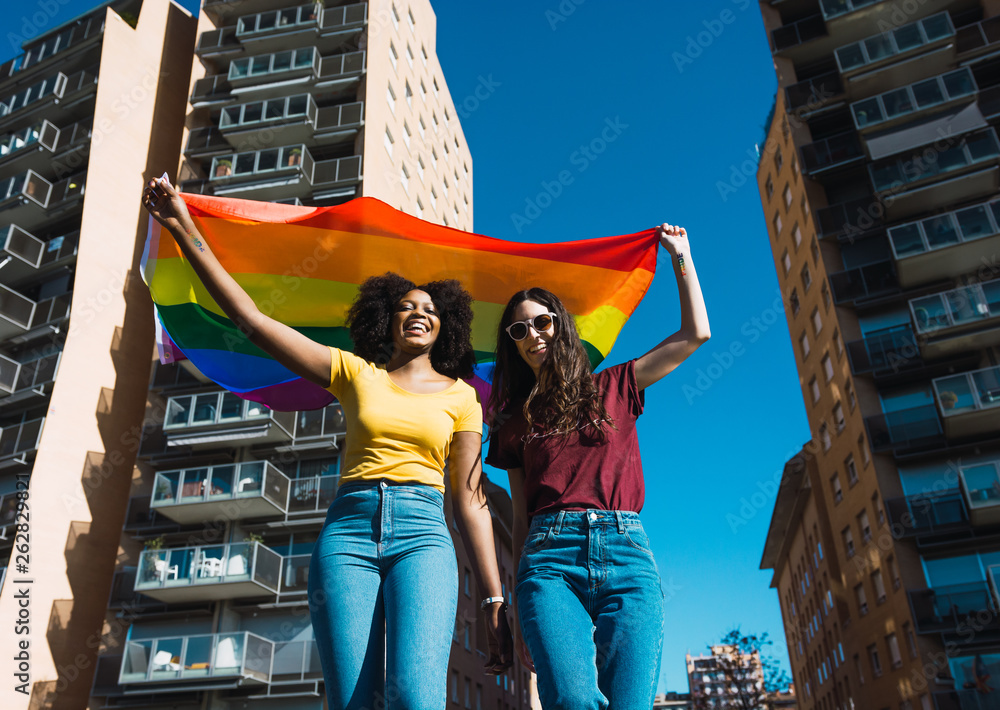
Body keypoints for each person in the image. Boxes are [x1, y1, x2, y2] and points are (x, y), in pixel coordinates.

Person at [141, 176, 512, 710]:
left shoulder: (462, 399)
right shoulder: (355, 373)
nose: (419, 313)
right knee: (352, 701)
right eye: (408, 306)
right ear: (388, 320)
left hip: (425, 535)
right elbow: (251, 320)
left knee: (414, 696)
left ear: (444, 326)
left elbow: (471, 500)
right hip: (349, 533)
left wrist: (495, 596)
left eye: (431, 309)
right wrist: (183, 226)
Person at [486, 223, 709, 710]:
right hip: (547, 563)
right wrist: (515, 603)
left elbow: (695, 335)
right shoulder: (511, 422)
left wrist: (680, 256)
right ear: (513, 343)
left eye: (542, 322)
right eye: (519, 329)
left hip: (626, 550)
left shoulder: (617, 384)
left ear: (560, 325)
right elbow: (521, 519)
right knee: (571, 700)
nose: (533, 335)